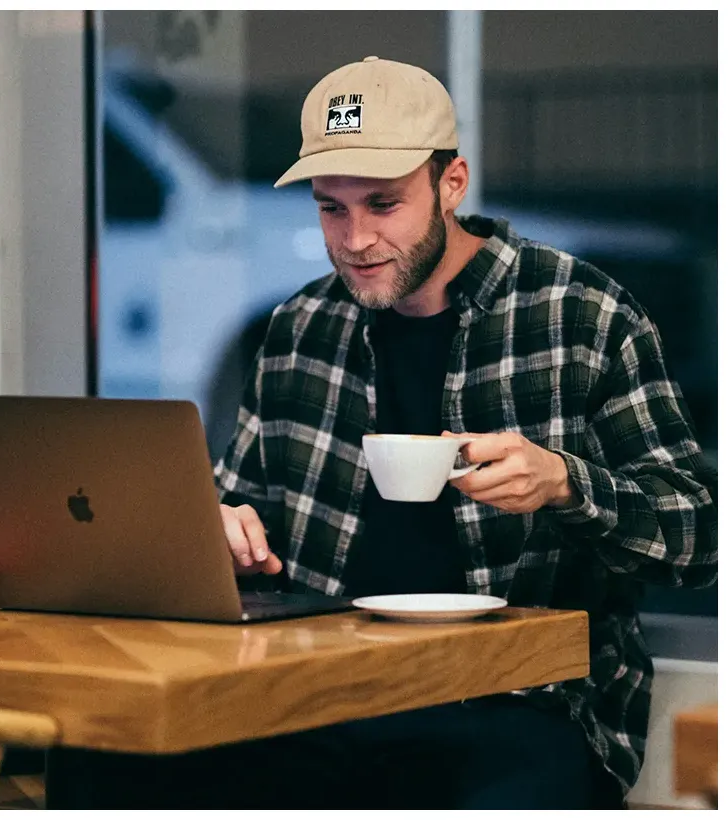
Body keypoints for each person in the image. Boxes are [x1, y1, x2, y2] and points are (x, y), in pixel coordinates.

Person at [211, 56, 717, 809]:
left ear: (453, 184)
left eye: (383, 204)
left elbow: (698, 541)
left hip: (519, 704)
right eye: (330, 208)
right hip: (322, 695)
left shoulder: (582, 315)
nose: (354, 239)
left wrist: (566, 484)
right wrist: (220, 531)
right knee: (109, 759)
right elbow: (235, 509)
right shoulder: (299, 329)